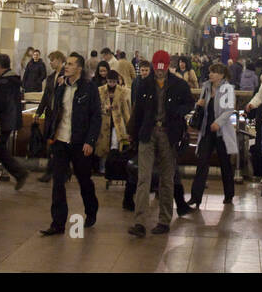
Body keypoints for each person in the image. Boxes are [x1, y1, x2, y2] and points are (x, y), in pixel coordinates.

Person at [128, 50, 195, 237]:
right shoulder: (145, 84)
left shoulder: (179, 85)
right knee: (144, 178)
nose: (159, 72)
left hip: (168, 134)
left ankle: (164, 220)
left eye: (162, 69)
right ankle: (140, 222)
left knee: (167, 178)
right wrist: (133, 134)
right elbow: (138, 111)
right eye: (156, 69)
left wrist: (177, 111)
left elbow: (190, 104)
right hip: (148, 133)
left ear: (167, 66)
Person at [40, 53, 101, 236]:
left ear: (79, 69)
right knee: (58, 182)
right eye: (66, 63)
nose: (67, 66)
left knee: (84, 179)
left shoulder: (89, 89)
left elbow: (96, 117)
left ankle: (91, 210)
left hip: (79, 142)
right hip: (60, 140)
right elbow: (55, 110)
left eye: (71, 64)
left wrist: (90, 141)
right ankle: (57, 223)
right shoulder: (60, 86)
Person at [189, 63, 237, 208]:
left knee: (225, 164)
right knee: (202, 162)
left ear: (222, 75)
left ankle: (229, 194)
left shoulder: (227, 88)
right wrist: (199, 104)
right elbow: (202, 106)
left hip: (221, 131)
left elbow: (229, 109)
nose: (211, 75)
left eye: (214, 72)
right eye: (210, 72)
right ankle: (195, 197)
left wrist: (218, 122)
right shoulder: (206, 87)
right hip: (206, 130)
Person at [0, 52, 29, 192]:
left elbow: (0, 105)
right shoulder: (11, 79)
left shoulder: (4, 82)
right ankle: (19, 173)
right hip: (9, 121)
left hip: (3, 122)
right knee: (0, 150)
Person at [33, 51, 67, 182]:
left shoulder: (66, 76)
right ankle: (62, 172)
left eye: (52, 60)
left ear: (59, 60)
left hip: (60, 115)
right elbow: (46, 97)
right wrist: (38, 112)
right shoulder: (51, 77)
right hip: (50, 114)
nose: (50, 63)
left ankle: (51, 172)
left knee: (57, 144)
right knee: (52, 143)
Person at [96, 63, 131, 165]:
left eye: (114, 82)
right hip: (104, 122)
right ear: (107, 80)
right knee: (103, 145)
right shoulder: (100, 90)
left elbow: (125, 110)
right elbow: (97, 106)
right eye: (110, 81)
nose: (112, 84)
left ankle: (112, 166)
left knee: (115, 144)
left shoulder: (122, 91)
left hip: (118, 122)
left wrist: (129, 126)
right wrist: (104, 108)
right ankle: (103, 166)